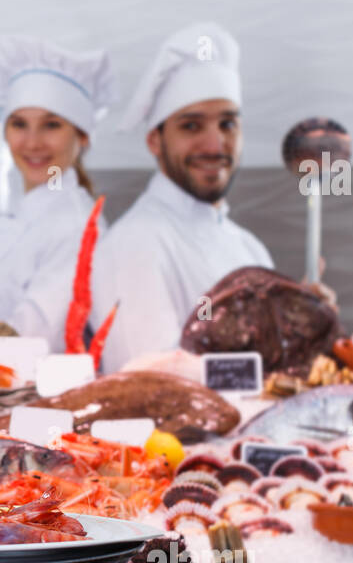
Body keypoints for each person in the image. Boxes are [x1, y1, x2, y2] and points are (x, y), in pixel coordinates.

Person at [90, 23, 274, 373]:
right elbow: (151, 379)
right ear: (155, 141)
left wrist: (309, 320)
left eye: (227, 124)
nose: (214, 144)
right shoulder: (134, 242)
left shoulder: (251, 249)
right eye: (191, 126)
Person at [0, 37, 115, 351]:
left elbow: (28, 346)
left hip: (35, 396)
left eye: (51, 125)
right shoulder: (24, 209)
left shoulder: (77, 227)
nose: (32, 143)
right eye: (19, 124)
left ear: (82, 136)